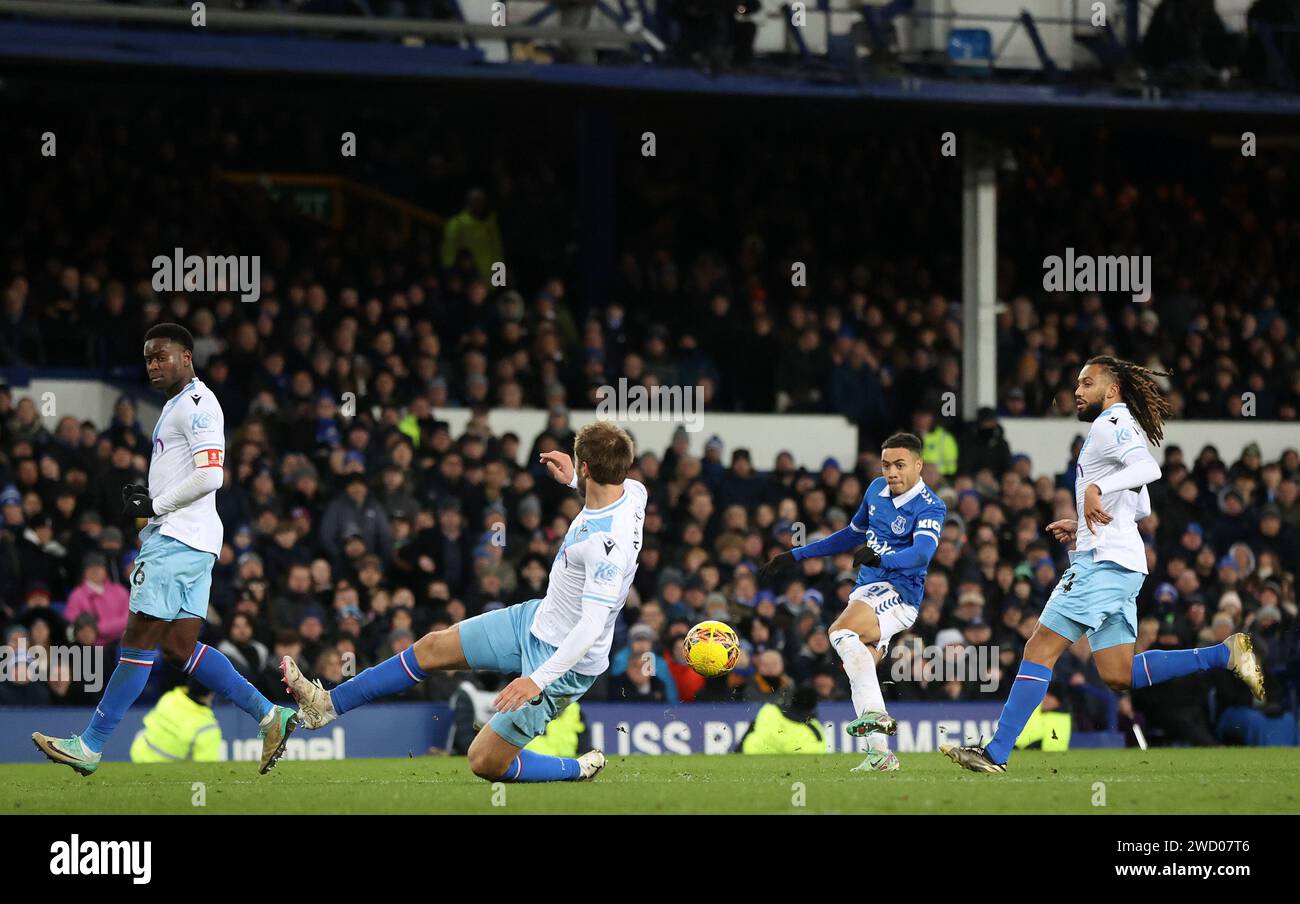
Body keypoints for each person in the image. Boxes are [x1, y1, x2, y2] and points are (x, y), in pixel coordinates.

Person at [942, 357, 1265, 773]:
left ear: (1111, 390)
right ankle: (1224, 653)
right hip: (1123, 563)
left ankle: (996, 753)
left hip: (1103, 564)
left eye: (1087, 382)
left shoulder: (1109, 423)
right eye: (1078, 382)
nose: (1078, 390)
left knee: (1039, 647)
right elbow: (1141, 505)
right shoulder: (1120, 426)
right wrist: (1084, 523)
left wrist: (1095, 487)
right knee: (1117, 673)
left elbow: (1150, 468)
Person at [284, 421, 646, 784]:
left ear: (585, 465)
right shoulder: (635, 493)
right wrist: (572, 481)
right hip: (536, 618)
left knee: (484, 761)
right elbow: (603, 486)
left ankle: (576, 769)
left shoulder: (603, 547)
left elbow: (591, 626)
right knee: (431, 648)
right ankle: (326, 706)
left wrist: (536, 681)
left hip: (563, 661)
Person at [33, 323, 298, 777]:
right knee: (179, 646)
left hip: (177, 539)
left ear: (187, 357)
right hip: (194, 540)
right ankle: (270, 715)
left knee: (137, 643)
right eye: (149, 358)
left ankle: (91, 745)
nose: (154, 365)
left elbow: (212, 475)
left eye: (163, 356)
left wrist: (156, 504)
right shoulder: (178, 405)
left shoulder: (196, 403)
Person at [760, 431, 945, 773]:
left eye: (900, 465)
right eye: (887, 464)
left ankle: (876, 714)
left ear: (918, 465)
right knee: (858, 667)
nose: (892, 472)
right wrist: (795, 555)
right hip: (866, 590)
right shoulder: (876, 489)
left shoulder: (930, 506)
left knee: (840, 632)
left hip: (899, 593)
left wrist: (880, 560)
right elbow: (852, 534)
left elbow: (921, 554)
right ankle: (880, 755)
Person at [129, 681, 223, 763]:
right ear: (212, 692)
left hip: (138, 756)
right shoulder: (207, 727)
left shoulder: (169, 698)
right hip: (165, 774)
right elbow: (206, 771)